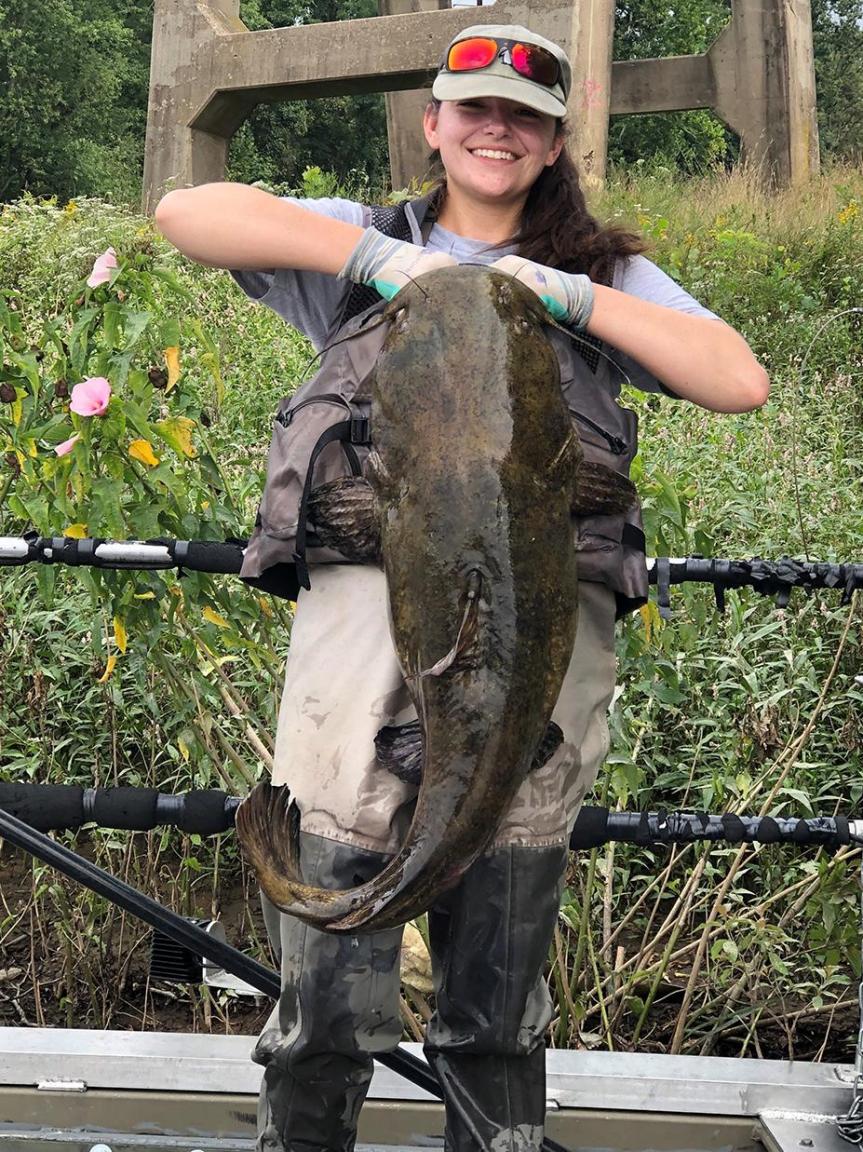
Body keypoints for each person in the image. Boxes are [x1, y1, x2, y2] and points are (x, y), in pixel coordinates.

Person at [155, 22, 769, 1152]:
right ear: (432, 126)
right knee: (324, 1015)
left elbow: (737, 379)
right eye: (472, 110)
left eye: (522, 117)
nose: (496, 129)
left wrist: (573, 301)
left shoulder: (604, 274)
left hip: (535, 646)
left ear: (551, 141)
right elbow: (182, 215)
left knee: (494, 1013)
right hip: (363, 646)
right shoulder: (359, 241)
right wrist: (379, 264)